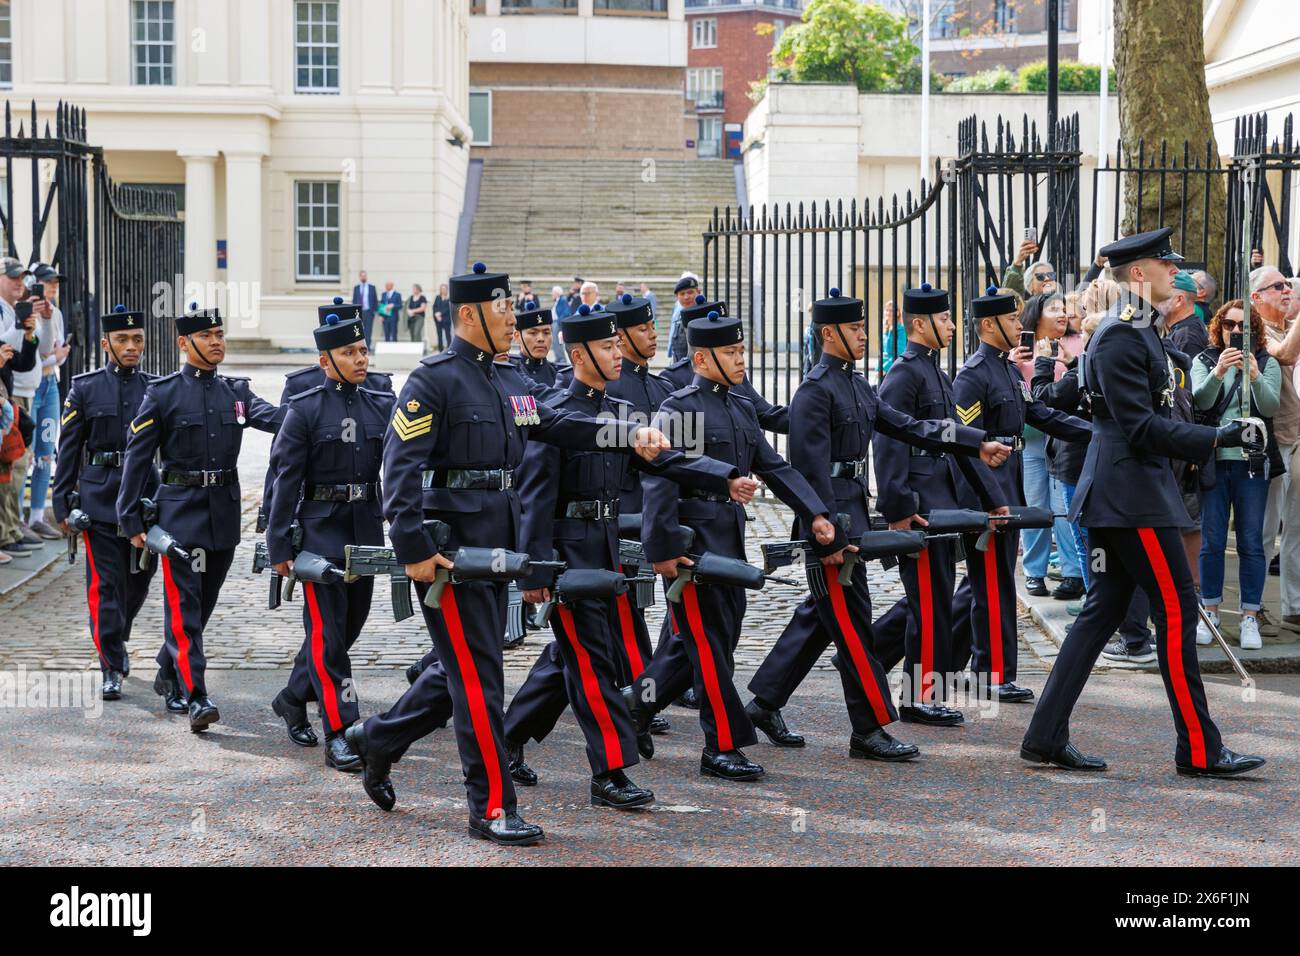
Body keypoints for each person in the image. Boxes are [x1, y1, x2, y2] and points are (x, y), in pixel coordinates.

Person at [343, 261, 670, 847]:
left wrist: (630, 433)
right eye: (501, 311)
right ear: (468, 315)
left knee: (464, 669)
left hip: (497, 550)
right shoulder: (433, 381)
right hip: (449, 559)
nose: (512, 321)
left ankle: (380, 739)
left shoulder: (510, 382)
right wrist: (413, 547)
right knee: (480, 682)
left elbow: (557, 424)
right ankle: (492, 806)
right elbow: (399, 470)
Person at [1022, 226, 1266, 778]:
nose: (1174, 273)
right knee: (1177, 613)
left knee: (1099, 616)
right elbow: (1139, 427)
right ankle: (1199, 750)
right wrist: (1218, 439)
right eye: (1164, 264)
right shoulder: (1122, 336)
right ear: (1138, 274)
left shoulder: (1138, 331)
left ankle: (1044, 735)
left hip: (1126, 496)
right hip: (1132, 500)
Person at [745, 286, 1010, 751]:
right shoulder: (814, 390)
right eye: (854, 328)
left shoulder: (856, 382)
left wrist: (974, 441)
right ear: (828, 333)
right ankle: (867, 729)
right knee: (850, 626)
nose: (864, 335)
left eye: (864, 326)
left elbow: (908, 426)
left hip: (851, 514)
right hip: (829, 522)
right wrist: (822, 525)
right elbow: (806, 468)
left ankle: (765, 701)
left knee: (829, 618)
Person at [504, 305, 739, 805]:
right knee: (593, 665)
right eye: (608, 347)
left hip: (607, 549)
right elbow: (535, 497)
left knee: (573, 659)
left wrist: (725, 476)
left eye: (617, 345)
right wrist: (536, 566)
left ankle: (507, 738)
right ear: (578, 353)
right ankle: (610, 770)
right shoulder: (555, 414)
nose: (618, 354)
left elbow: (668, 461)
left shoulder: (620, 414)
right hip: (569, 556)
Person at [624, 306, 841, 782]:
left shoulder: (741, 407)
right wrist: (662, 549)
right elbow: (659, 479)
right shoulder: (676, 408)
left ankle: (632, 705)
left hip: (730, 540)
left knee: (704, 643)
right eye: (730, 352)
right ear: (701, 359)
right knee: (709, 647)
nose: (741, 359)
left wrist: (815, 512)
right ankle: (720, 745)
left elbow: (775, 467)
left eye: (742, 350)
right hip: (691, 545)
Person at [117, 304, 283, 731]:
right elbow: (138, 458)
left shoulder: (237, 392)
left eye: (220, 334)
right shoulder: (163, 394)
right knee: (185, 610)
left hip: (222, 517)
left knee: (201, 607)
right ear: (183, 344)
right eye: (207, 336)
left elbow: (279, 421)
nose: (216, 342)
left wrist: (318, 406)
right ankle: (197, 696)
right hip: (179, 517)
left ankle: (168, 670)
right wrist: (131, 518)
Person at [865, 285, 1009, 724]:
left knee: (935, 600)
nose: (951, 326)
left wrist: (992, 500)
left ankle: (886, 667)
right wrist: (897, 509)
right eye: (945, 319)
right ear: (919, 324)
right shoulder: (904, 374)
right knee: (928, 603)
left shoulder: (937, 375)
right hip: (919, 504)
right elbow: (887, 443)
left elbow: (954, 446)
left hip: (942, 500)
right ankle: (917, 697)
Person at [265, 308, 392, 771]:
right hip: (320, 531)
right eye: (348, 352)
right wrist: (280, 544)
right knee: (327, 636)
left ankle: (292, 697)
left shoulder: (382, 403)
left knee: (347, 629)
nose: (360, 359)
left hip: (364, 527)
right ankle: (341, 729)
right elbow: (284, 478)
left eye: (362, 350)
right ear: (325, 360)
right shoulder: (305, 408)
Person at [951, 286, 1091, 701]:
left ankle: (958, 663)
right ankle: (991, 675)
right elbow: (965, 446)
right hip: (987, 493)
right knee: (991, 587)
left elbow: (1041, 414)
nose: (1020, 326)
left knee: (988, 584)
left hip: (1007, 484)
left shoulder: (1009, 370)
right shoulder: (973, 375)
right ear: (988, 325)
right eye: (1012, 320)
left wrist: (1098, 434)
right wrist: (989, 503)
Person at [50, 305, 158, 700]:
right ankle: (111, 663)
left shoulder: (155, 388)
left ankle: (116, 635)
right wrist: (62, 505)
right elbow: (68, 450)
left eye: (138, 340)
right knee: (106, 587)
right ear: (106, 344)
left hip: (145, 501)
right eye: (124, 340)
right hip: (100, 500)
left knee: (138, 583)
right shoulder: (85, 388)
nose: (132, 347)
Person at [1192, 299, 1280, 651]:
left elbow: (1271, 406)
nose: (1237, 332)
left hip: (1252, 462)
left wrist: (1256, 375)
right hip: (1216, 458)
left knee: (1251, 541)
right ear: (1220, 327)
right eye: (1230, 325)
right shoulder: (1205, 359)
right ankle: (1210, 610)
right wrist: (1219, 373)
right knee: (1212, 538)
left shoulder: (1267, 361)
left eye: (1245, 327)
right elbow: (1200, 401)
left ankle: (1249, 616)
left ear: (1255, 331)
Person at [1018, 291, 1085, 602]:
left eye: (1064, 308)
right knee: (1035, 506)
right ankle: (1034, 572)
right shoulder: (1022, 347)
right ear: (1036, 314)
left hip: (1065, 437)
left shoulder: (1076, 344)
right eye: (1054, 309)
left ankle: (1073, 572)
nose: (1062, 314)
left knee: (1064, 508)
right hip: (1031, 438)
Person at [1251, 266, 1300, 633]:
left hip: (1297, 436)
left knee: (1297, 526)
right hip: (1273, 442)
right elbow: (1283, 355)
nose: (1286, 290)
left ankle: (1294, 607)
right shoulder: (1256, 332)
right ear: (1257, 297)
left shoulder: (1288, 325)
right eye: (1278, 286)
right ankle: (1254, 607)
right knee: (1265, 529)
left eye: (1289, 285)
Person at [26, 264, 70, 539]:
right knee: (24, 451)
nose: (52, 287)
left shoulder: (57, 313)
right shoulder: (31, 313)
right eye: (46, 283)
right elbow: (38, 354)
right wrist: (56, 356)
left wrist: (55, 356)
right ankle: (17, 518)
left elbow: (61, 349)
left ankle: (37, 517)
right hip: (32, 386)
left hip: (50, 385)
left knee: (44, 452)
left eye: (55, 283)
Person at [0, 258, 40, 556]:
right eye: (12, 277)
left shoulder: (13, 311)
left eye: (21, 278)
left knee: (15, 462)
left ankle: (12, 527)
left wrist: (29, 335)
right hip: (4, 394)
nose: (19, 282)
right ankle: (7, 531)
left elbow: (22, 363)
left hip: (8, 389)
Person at [511, 300, 568, 390]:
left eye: (546, 332)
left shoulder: (560, 375)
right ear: (517, 336)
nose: (541, 339)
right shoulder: (510, 373)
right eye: (533, 333)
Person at [666, 274, 699, 362]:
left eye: (690, 292)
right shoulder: (680, 316)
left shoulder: (704, 316)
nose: (686, 297)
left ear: (698, 292)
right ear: (677, 297)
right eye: (682, 294)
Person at [351, 271, 378, 348]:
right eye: (362, 276)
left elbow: (375, 300)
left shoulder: (372, 287)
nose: (363, 277)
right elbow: (354, 300)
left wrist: (374, 311)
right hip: (358, 313)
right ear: (360, 277)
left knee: (368, 330)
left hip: (369, 312)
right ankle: (360, 347)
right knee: (359, 330)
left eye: (365, 276)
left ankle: (368, 347)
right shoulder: (356, 288)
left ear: (367, 277)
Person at [550, 285, 571, 364]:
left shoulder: (563, 300)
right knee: (555, 342)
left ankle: (562, 358)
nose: (552, 294)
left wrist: (559, 321)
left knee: (557, 341)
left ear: (557, 293)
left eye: (553, 292)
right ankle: (558, 358)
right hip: (554, 322)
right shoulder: (558, 300)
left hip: (557, 323)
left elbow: (566, 312)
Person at [432, 283, 452, 351]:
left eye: (444, 289)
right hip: (438, 320)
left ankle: (449, 349)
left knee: (448, 335)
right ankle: (440, 350)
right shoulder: (437, 297)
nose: (443, 290)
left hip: (446, 319)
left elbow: (448, 309)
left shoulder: (449, 298)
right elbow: (435, 307)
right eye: (442, 289)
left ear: (447, 289)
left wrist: (440, 314)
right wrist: (436, 314)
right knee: (439, 335)